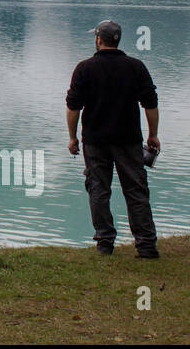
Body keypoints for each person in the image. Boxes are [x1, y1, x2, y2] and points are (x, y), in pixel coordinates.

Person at [65, 20, 161, 258]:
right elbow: (150, 103)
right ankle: (146, 245)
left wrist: (72, 138)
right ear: (117, 40)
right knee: (136, 191)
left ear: (98, 39)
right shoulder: (136, 67)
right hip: (128, 139)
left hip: (95, 141)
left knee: (98, 190)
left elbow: (73, 107)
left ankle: (105, 242)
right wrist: (153, 134)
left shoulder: (84, 69)